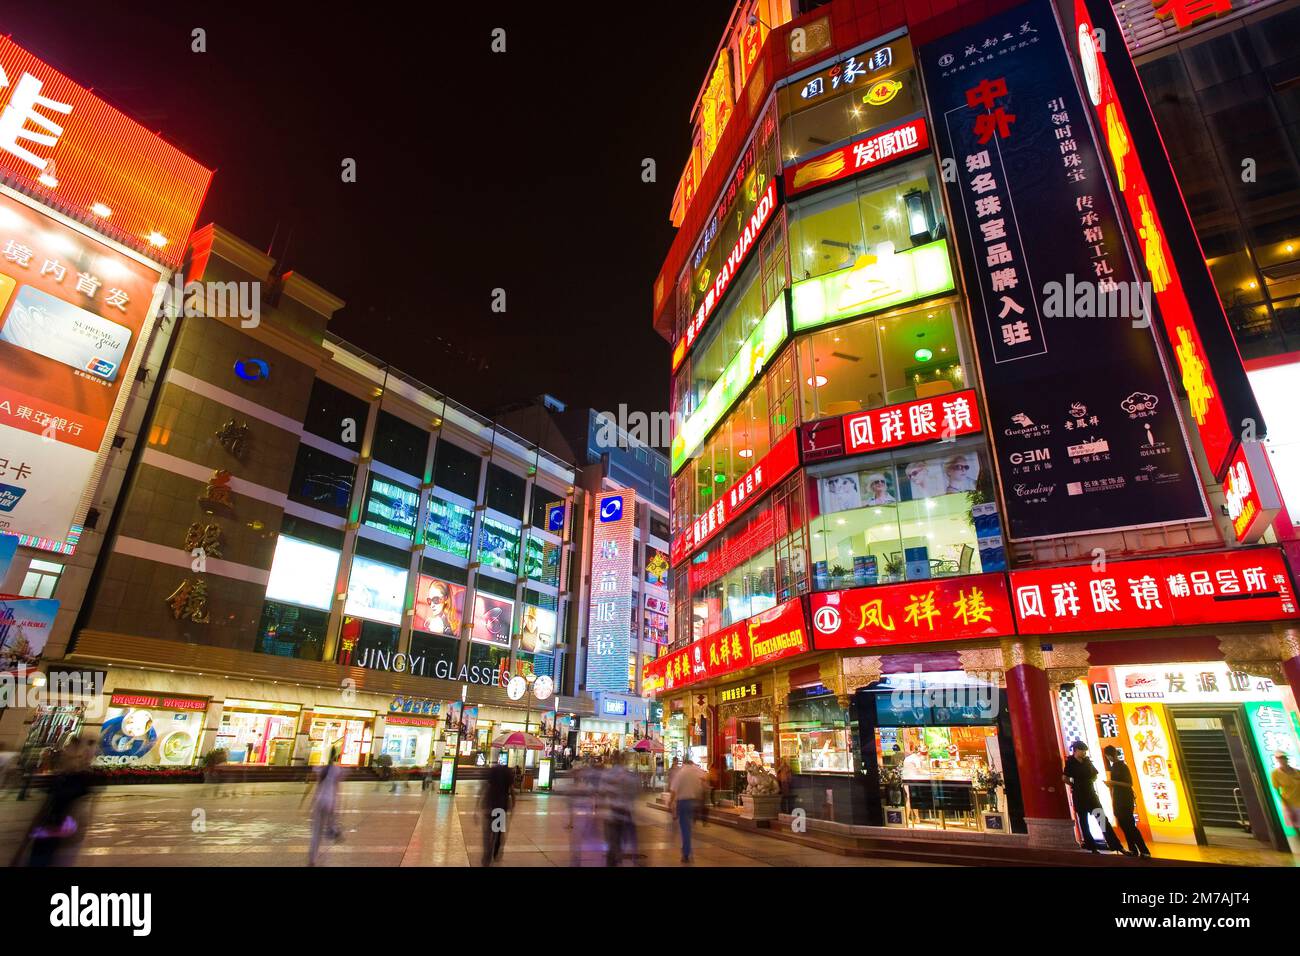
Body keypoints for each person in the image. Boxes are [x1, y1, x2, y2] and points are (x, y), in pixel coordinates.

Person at [23, 737, 95, 867]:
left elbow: (77, 810)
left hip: (59, 831)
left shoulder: (80, 778)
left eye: (68, 747)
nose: (64, 750)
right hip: (49, 829)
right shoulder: (62, 775)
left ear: (77, 753)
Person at [1063, 741, 1123, 853]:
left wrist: (1089, 781)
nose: (1084, 753)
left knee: (1102, 820)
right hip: (1079, 795)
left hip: (1091, 793)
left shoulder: (1087, 762)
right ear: (1076, 750)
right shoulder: (1070, 763)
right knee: (1084, 822)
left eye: (1085, 751)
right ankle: (1092, 847)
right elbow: (1065, 778)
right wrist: (1075, 785)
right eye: (1083, 750)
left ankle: (1115, 845)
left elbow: (1095, 774)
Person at [1101, 746, 1150, 857]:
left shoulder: (1122, 766)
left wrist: (1113, 782)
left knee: (1130, 825)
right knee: (1124, 825)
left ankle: (1144, 850)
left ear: (1109, 755)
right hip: (1118, 799)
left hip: (1125, 799)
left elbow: (1129, 784)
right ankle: (1133, 849)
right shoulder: (1114, 767)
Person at [306, 746, 344, 865]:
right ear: (336, 756)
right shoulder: (337, 770)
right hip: (330, 801)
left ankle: (312, 859)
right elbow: (337, 790)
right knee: (329, 828)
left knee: (316, 831)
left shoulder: (320, 769)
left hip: (319, 801)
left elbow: (313, 786)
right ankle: (334, 830)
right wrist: (338, 807)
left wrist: (307, 803)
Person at [602, 751, 640, 866]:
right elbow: (635, 792)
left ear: (613, 760)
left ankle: (613, 858)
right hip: (626, 812)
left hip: (612, 812)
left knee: (612, 841)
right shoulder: (629, 775)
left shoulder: (608, 774)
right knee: (624, 838)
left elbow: (603, 791)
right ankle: (619, 855)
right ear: (624, 761)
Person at [669, 756, 707, 863]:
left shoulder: (681, 773)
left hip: (683, 802)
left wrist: (671, 802)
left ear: (684, 763)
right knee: (688, 827)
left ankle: (686, 853)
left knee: (685, 828)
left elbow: (673, 789)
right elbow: (704, 781)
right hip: (693, 802)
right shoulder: (696, 772)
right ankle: (687, 849)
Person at [482, 759, 515, 866]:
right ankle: (496, 848)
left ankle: (488, 852)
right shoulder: (507, 775)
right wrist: (513, 803)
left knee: (488, 831)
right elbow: (512, 791)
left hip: (491, 805)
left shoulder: (493, 773)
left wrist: (481, 803)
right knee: (498, 831)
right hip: (501, 807)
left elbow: (486, 788)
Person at [1270, 751, 1300, 852]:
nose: (1282, 760)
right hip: (1289, 801)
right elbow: (1276, 789)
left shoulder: (1296, 771)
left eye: (1283, 757)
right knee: (1296, 825)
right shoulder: (1275, 773)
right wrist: (1283, 802)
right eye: (1280, 758)